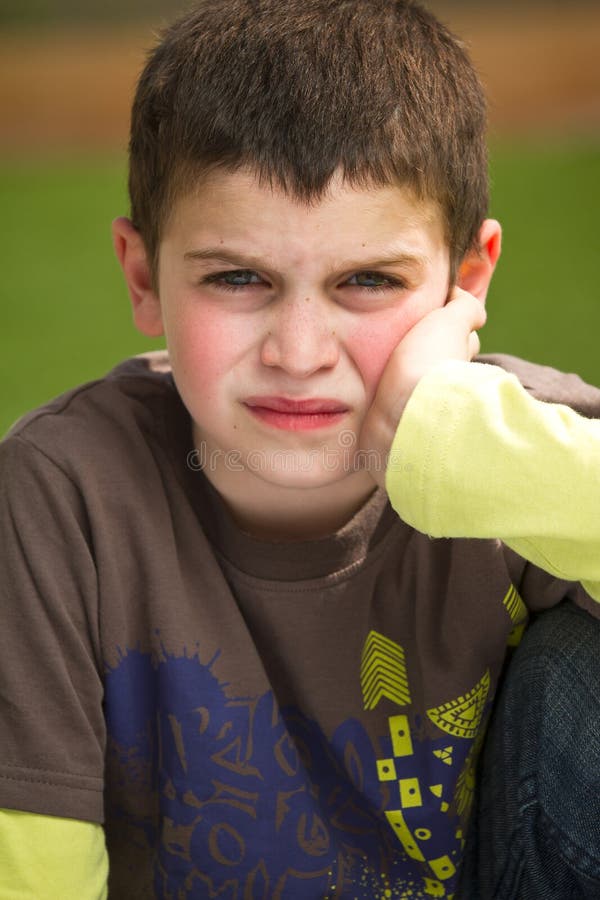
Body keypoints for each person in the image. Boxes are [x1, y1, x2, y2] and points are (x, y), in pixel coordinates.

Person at [0, 1, 599, 897]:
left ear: (466, 283)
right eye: (238, 278)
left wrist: (454, 448)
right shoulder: (62, 497)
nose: (300, 350)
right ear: (143, 278)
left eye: (368, 280)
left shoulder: (508, 444)